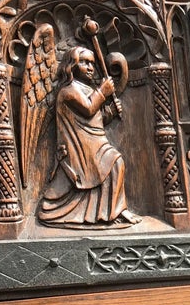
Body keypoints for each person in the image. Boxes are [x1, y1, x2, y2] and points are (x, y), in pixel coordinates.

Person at [38, 46, 141, 226]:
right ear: (72, 65)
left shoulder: (86, 88)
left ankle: (111, 212)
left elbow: (95, 119)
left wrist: (109, 111)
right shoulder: (68, 90)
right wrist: (103, 91)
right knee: (116, 161)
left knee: (116, 163)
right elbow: (88, 109)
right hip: (79, 148)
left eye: (92, 63)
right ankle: (109, 212)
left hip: (93, 143)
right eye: (84, 62)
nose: (90, 67)